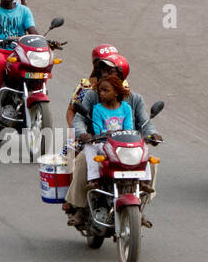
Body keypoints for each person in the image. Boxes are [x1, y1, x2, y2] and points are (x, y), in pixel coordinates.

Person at [64, 72, 161, 227]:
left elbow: (143, 123)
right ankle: (81, 208)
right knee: (82, 162)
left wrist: (152, 135)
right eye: (100, 90)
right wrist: (83, 134)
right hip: (101, 143)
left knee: (150, 159)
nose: (101, 93)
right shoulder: (92, 99)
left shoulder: (133, 101)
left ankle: (140, 202)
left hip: (125, 147)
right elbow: (81, 121)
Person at [67, 44, 127, 129]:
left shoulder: (124, 85)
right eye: (103, 65)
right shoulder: (85, 87)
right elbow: (71, 110)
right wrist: (74, 133)